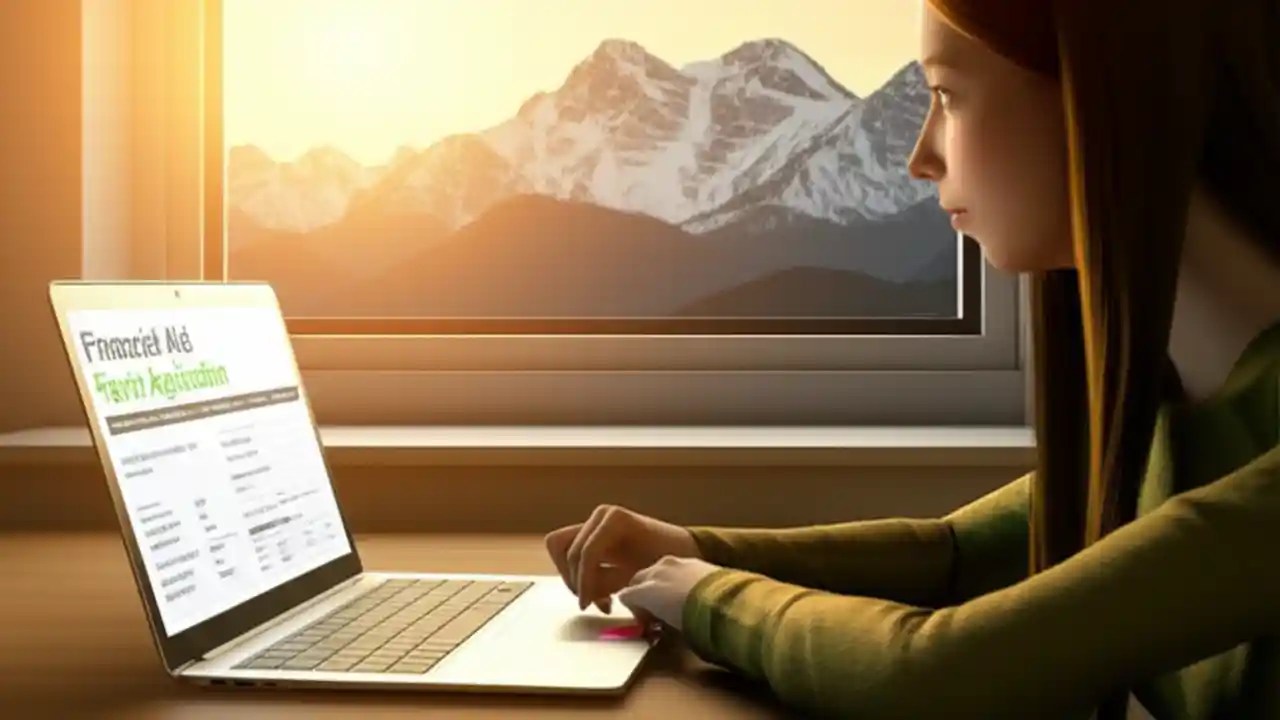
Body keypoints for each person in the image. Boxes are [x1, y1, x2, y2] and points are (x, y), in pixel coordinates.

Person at [544, 0, 1280, 717]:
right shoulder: (1166, 413)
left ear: (1102, 96)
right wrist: (691, 547)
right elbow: (955, 554)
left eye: (947, 96)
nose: (921, 156)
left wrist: (703, 594)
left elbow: (939, 668)